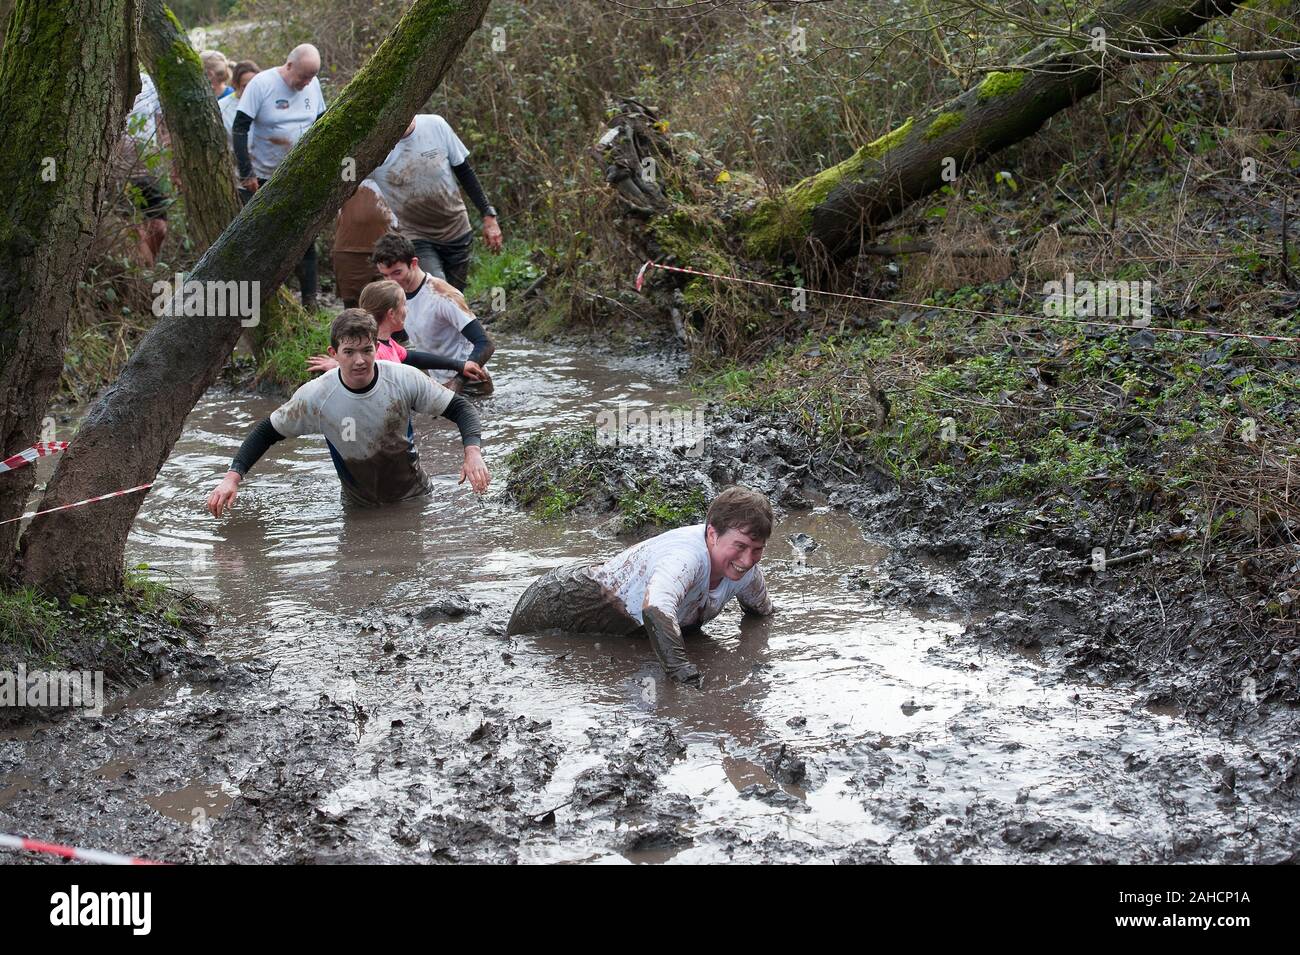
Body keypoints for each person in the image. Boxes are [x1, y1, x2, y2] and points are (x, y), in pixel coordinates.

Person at [206, 309, 490, 516]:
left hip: (415, 498)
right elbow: (267, 431)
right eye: (349, 352)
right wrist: (233, 477)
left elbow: (460, 407)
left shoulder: (403, 378)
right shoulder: (317, 396)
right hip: (358, 508)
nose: (359, 361)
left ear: (377, 348)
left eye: (367, 350)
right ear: (334, 352)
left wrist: (472, 452)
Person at [506, 487, 776, 685]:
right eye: (740, 547)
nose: (746, 560)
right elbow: (656, 608)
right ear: (712, 535)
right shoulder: (686, 558)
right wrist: (681, 671)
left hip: (621, 615)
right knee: (515, 649)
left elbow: (762, 613)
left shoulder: (749, 573)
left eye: (757, 550)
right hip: (564, 599)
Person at [231, 44, 325, 309]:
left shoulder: (313, 85)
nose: (306, 83)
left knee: (305, 238)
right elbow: (240, 129)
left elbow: (322, 122)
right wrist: (246, 172)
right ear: (290, 65)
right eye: (303, 76)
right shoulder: (262, 84)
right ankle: (270, 299)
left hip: (301, 175)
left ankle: (310, 299)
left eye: (311, 77)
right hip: (262, 176)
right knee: (265, 238)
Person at [366, 113, 503, 292]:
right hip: (415, 234)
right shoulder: (374, 148)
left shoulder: (435, 125)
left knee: (454, 295)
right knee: (437, 290)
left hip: (456, 227)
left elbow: (464, 171)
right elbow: (346, 180)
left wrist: (488, 214)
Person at [371, 233, 495, 395]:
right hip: (438, 384)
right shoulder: (396, 297)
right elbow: (393, 348)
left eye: (397, 273)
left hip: (471, 384)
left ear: (413, 263)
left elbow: (486, 344)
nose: (390, 282)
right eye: (385, 275)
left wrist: (456, 383)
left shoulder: (443, 296)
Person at [306, 279, 489, 384]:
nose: (407, 310)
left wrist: (460, 365)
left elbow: (412, 358)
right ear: (391, 313)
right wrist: (339, 367)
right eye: (404, 304)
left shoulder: (388, 344)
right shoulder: (376, 351)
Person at [116, 71, 169, 266]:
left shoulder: (148, 82)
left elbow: (161, 126)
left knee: (159, 227)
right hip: (116, 171)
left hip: (147, 169)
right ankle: (147, 274)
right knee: (131, 226)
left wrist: (168, 164)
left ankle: (148, 266)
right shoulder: (107, 79)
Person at [333, 181, 397, 308]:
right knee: (352, 306)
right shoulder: (348, 166)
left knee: (386, 304)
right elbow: (346, 175)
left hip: (387, 248)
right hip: (349, 249)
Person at [218, 58, 261, 152]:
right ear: (235, 84)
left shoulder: (265, 102)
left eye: (255, 85)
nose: (251, 89)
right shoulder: (222, 107)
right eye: (246, 86)